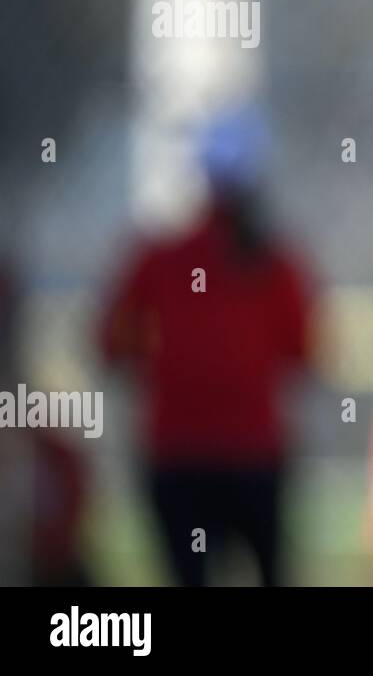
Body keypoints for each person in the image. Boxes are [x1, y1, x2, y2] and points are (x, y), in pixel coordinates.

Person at [98, 106, 316, 586]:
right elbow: (303, 354)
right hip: (254, 454)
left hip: (176, 455)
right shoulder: (276, 263)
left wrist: (163, 366)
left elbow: (108, 344)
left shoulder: (158, 255)